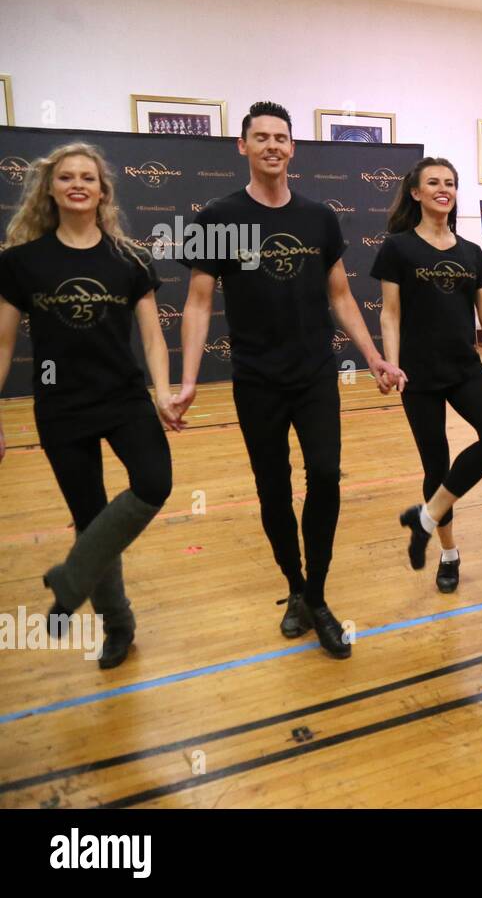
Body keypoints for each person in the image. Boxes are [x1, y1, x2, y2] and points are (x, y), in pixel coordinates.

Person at [175, 101, 405, 660]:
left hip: (315, 374)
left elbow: (341, 296)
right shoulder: (219, 218)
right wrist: (186, 381)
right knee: (272, 489)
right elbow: (199, 302)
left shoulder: (318, 218)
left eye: (282, 137)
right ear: (243, 146)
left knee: (325, 475)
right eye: (262, 137)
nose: (273, 145)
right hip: (255, 379)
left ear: (293, 148)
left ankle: (318, 595)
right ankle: (296, 589)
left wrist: (373, 355)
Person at [0, 143, 181, 669]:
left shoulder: (129, 258)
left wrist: (162, 392)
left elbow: (152, 338)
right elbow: (4, 344)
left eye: (88, 177)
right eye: (65, 177)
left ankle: (71, 577)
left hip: (123, 398)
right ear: (49, 189)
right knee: (90, 516)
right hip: (60, 407)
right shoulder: (20, 263)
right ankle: (117, 625)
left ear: (103, 192)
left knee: (155, 482)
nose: (77, 184)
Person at [375, 157, 482, 592]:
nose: (444, 189)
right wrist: (392, 363)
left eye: (450, 183)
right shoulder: (398, 248)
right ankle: (449, 553)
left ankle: (426, 515)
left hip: (464, 368)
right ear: (415, 193)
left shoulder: (471, 252)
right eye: (434, 182)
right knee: (434, 463)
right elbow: (391, 314)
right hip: (418, 374)